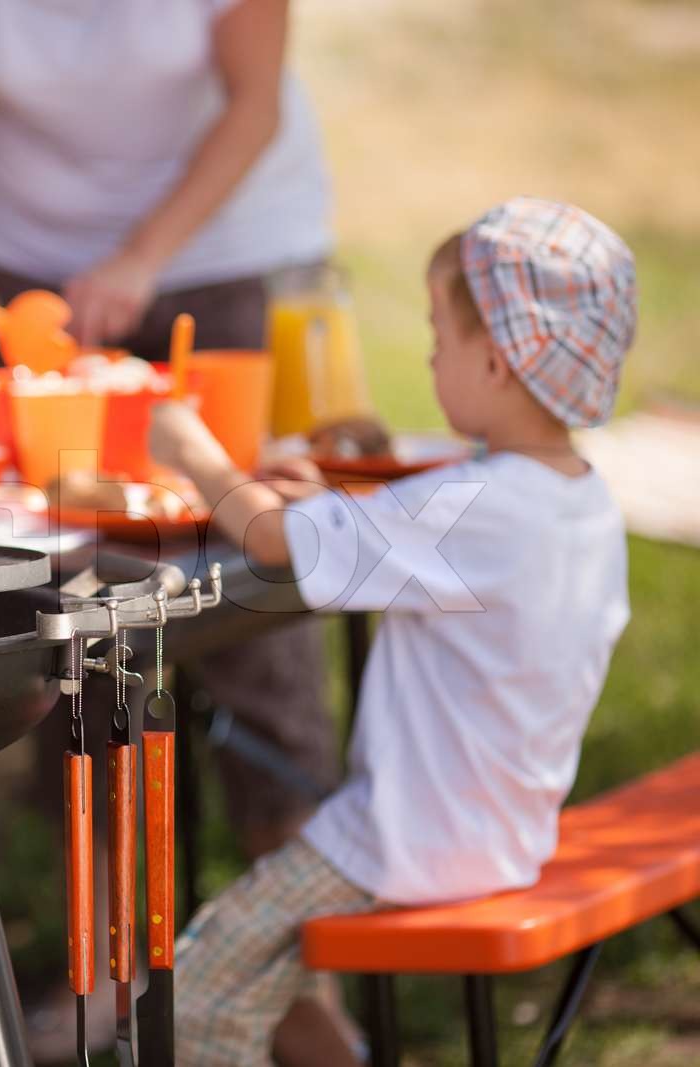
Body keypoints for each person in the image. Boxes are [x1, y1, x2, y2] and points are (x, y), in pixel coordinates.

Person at [0, 0, 339, 1052]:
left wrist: (140, 255)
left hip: (222, 262)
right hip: (29, 277)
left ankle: (307, 985)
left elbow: (253, 102)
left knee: (260, 617)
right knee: (77, 614)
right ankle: (105, 967)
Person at [148, 197, 636, 1065]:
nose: (429, 354)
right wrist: (359, 469)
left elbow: (271, 542)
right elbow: (447, 514)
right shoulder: (576, 495)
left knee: (190, 1000)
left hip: (401, 842)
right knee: (266, 964)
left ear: (495, 359)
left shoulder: (464, 511)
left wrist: (192, 452)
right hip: (502, 829)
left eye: (438, 337)